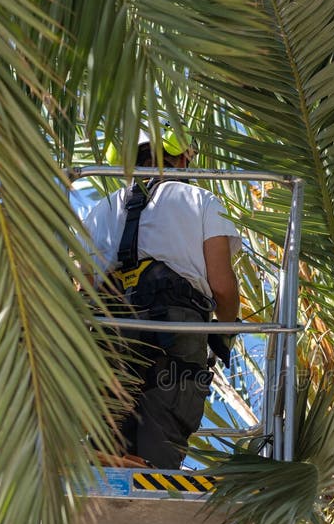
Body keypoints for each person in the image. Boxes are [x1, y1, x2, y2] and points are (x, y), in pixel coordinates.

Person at [81, 123, 241, 467]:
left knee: (107, 435)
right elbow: (223, 287)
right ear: (182, 157)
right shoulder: (201, 200)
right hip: (177, 328)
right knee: (160, 436)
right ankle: (149, 480)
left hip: (111, 331)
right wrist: (225, 331)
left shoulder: (101, 211)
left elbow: (83, 289)